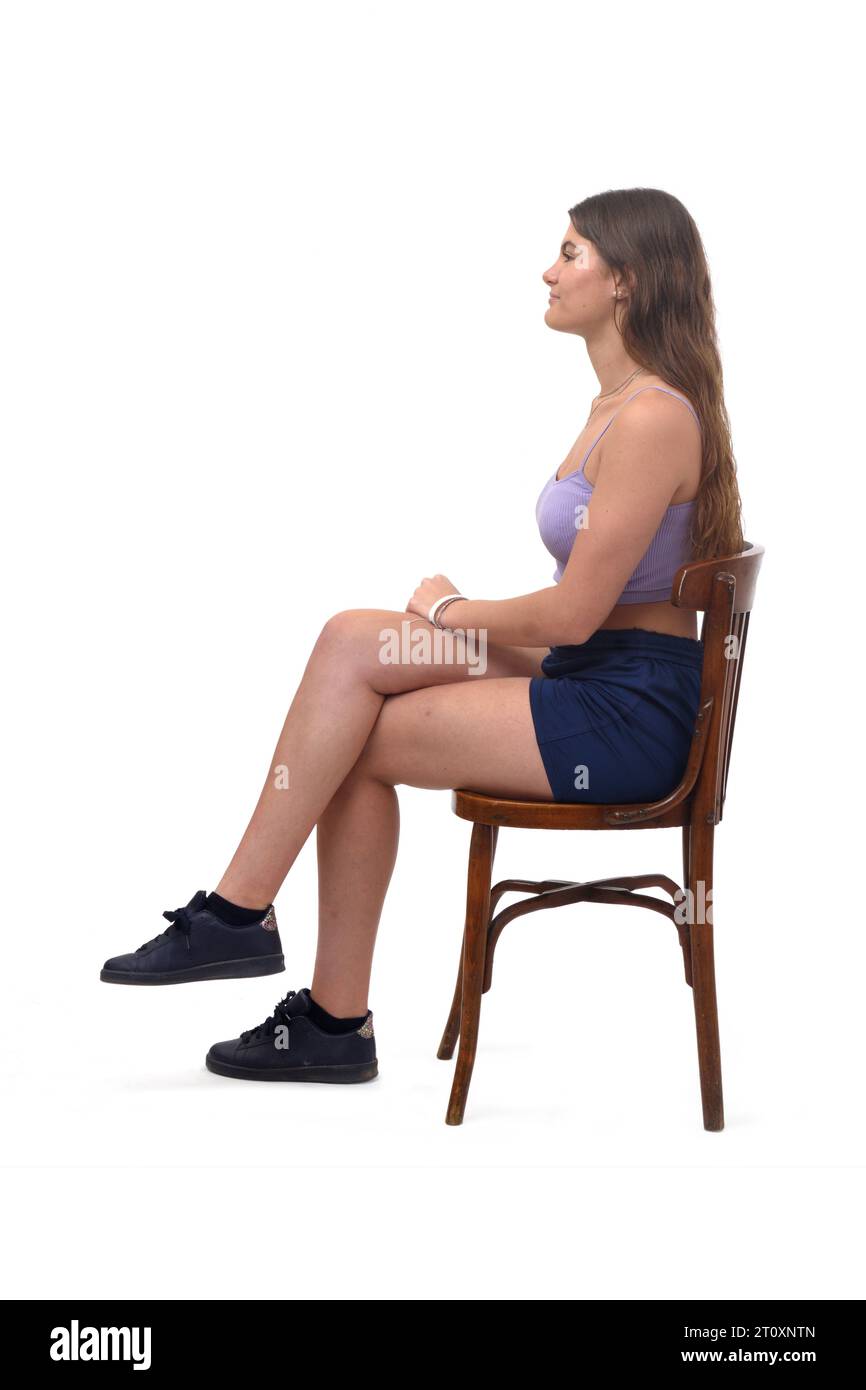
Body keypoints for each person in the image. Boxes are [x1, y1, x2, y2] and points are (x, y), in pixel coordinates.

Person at [100, 186, 744, 1090]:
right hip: (594, 673)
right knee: (353, 640)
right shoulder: (620, 403)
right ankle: (240, 917)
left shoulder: (651, 418)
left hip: (626, 715)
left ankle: (315, 1000)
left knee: (350, 743)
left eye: (570, 254)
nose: (549, 271)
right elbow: (578, 620)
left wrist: (450, 614)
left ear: (626, 282)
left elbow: (571, 615)